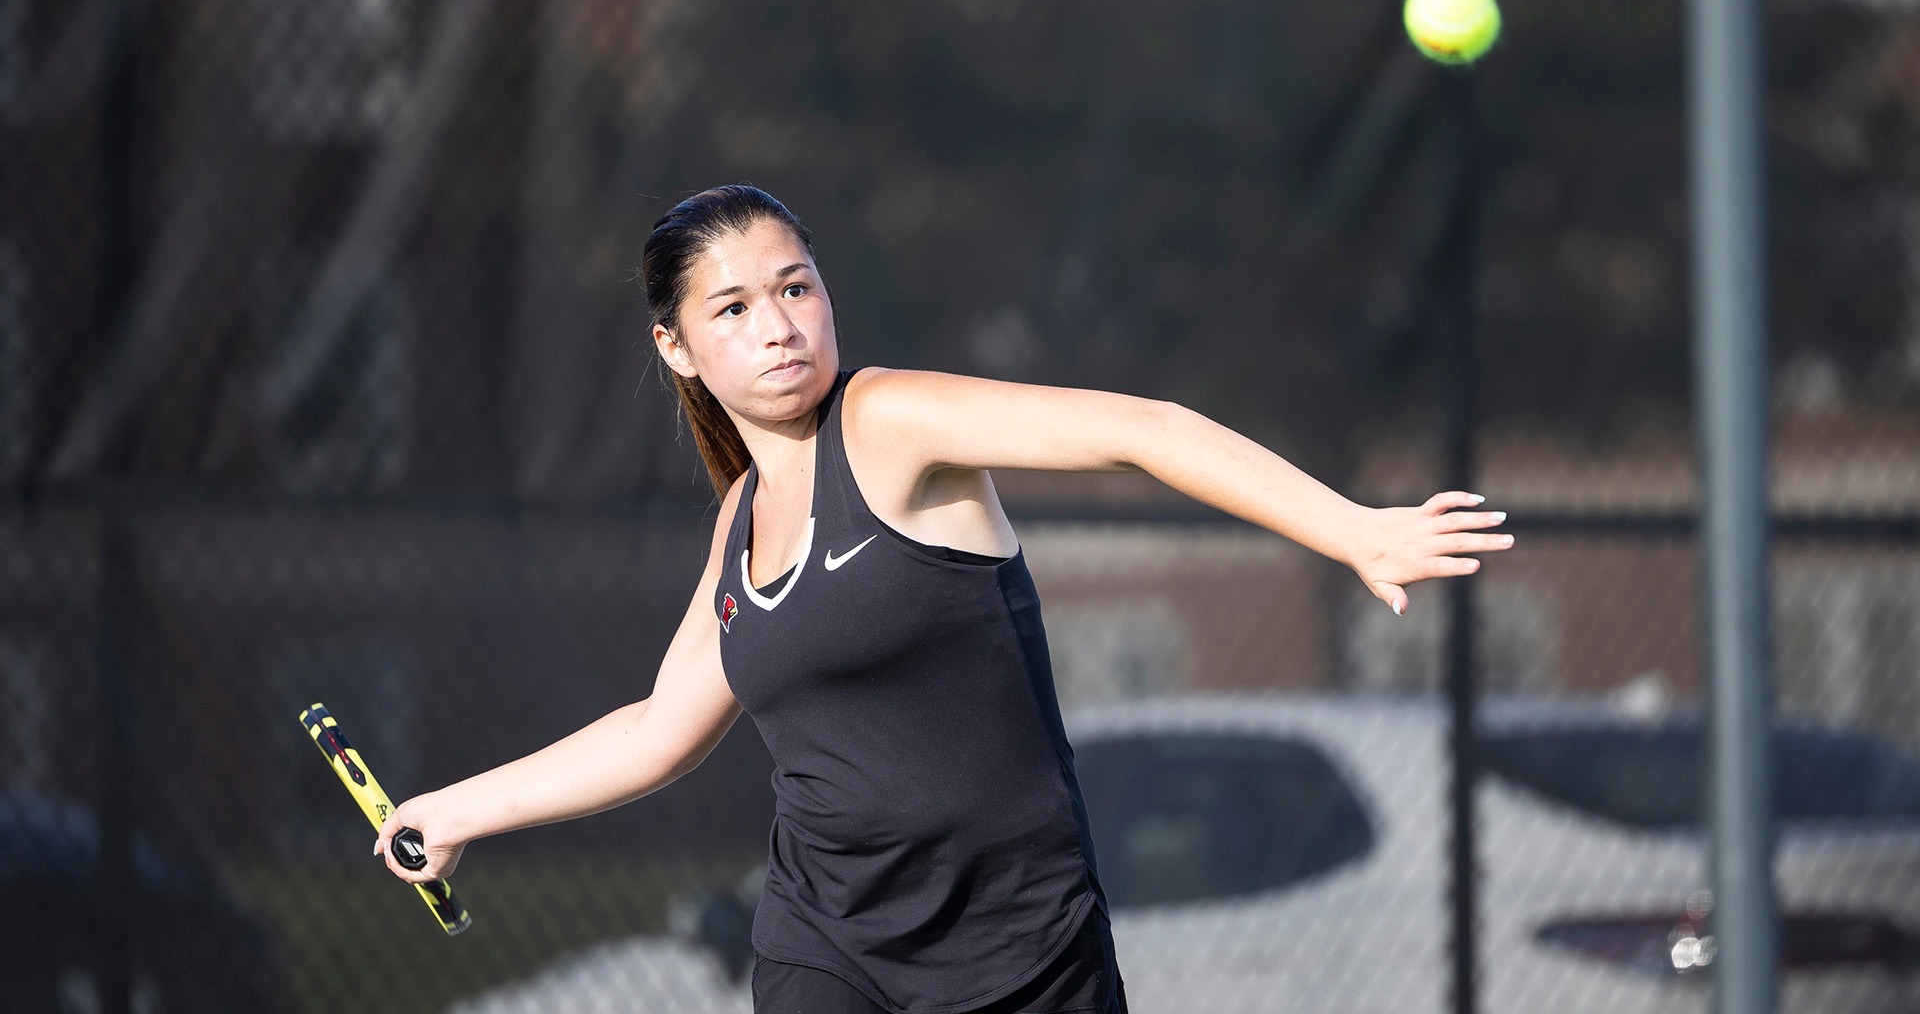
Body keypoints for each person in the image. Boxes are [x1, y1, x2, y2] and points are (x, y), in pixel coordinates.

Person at [376, 185, 1514, 1014]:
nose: (777, 324)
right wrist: (459, 810)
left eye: (794, 287)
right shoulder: (735, 528)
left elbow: (1139, 430)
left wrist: (1354, 531)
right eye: (731, 310)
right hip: (825, 937)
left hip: (1019, 948)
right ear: (675, 348)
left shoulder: (890, 423)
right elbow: (660, 731)